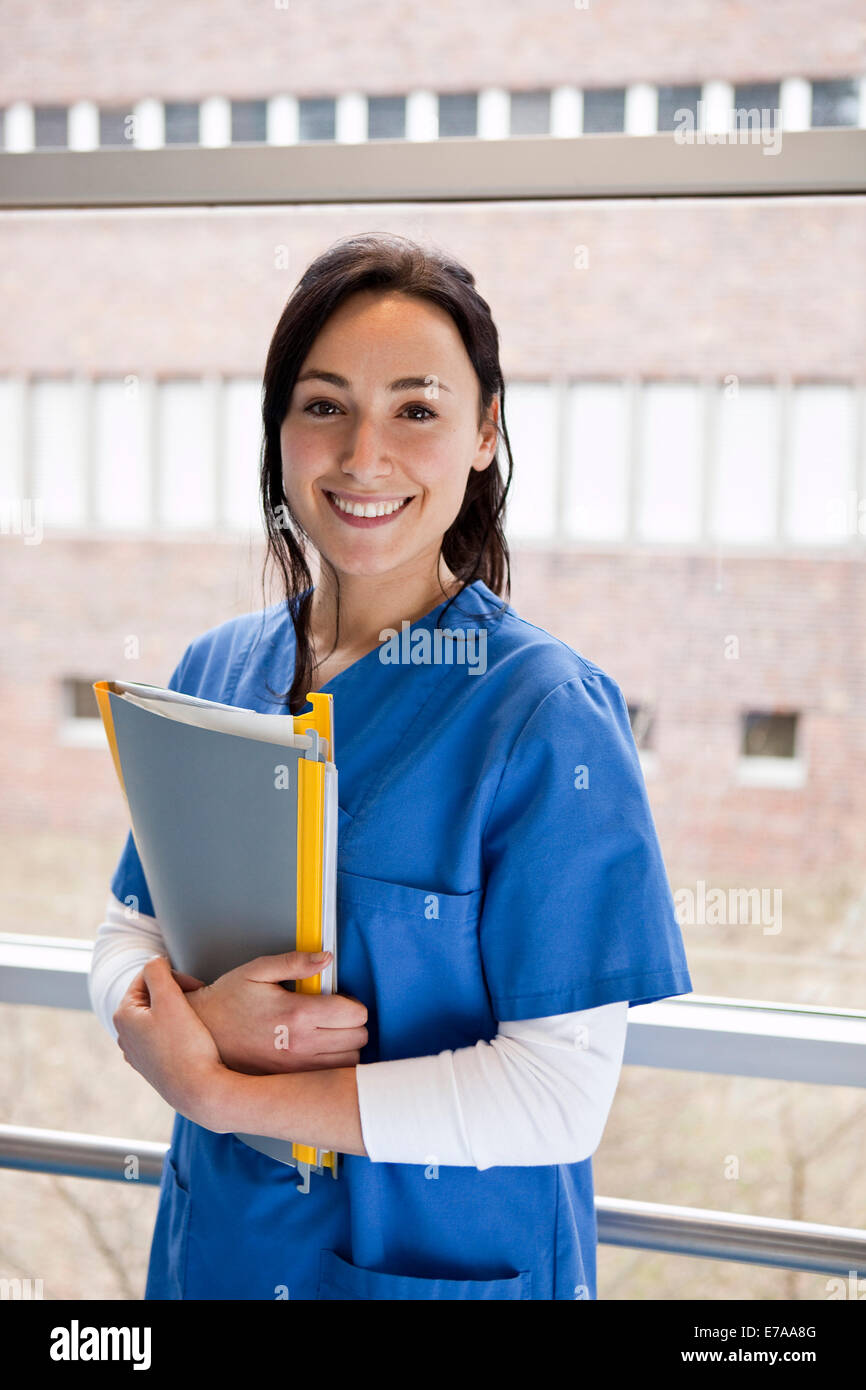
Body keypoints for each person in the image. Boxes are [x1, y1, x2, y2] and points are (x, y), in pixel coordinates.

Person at [89, 231, 692, 1301]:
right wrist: (181, 1025)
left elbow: (554, 1096)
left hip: (432, 1267)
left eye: (415, 409)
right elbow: (129, 929)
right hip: (221, 1244)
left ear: (482, 432)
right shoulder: (217, 667)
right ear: (279, 428)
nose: (364, 456)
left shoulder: (544, 715)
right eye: (323, 405)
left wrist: (219, 1087)